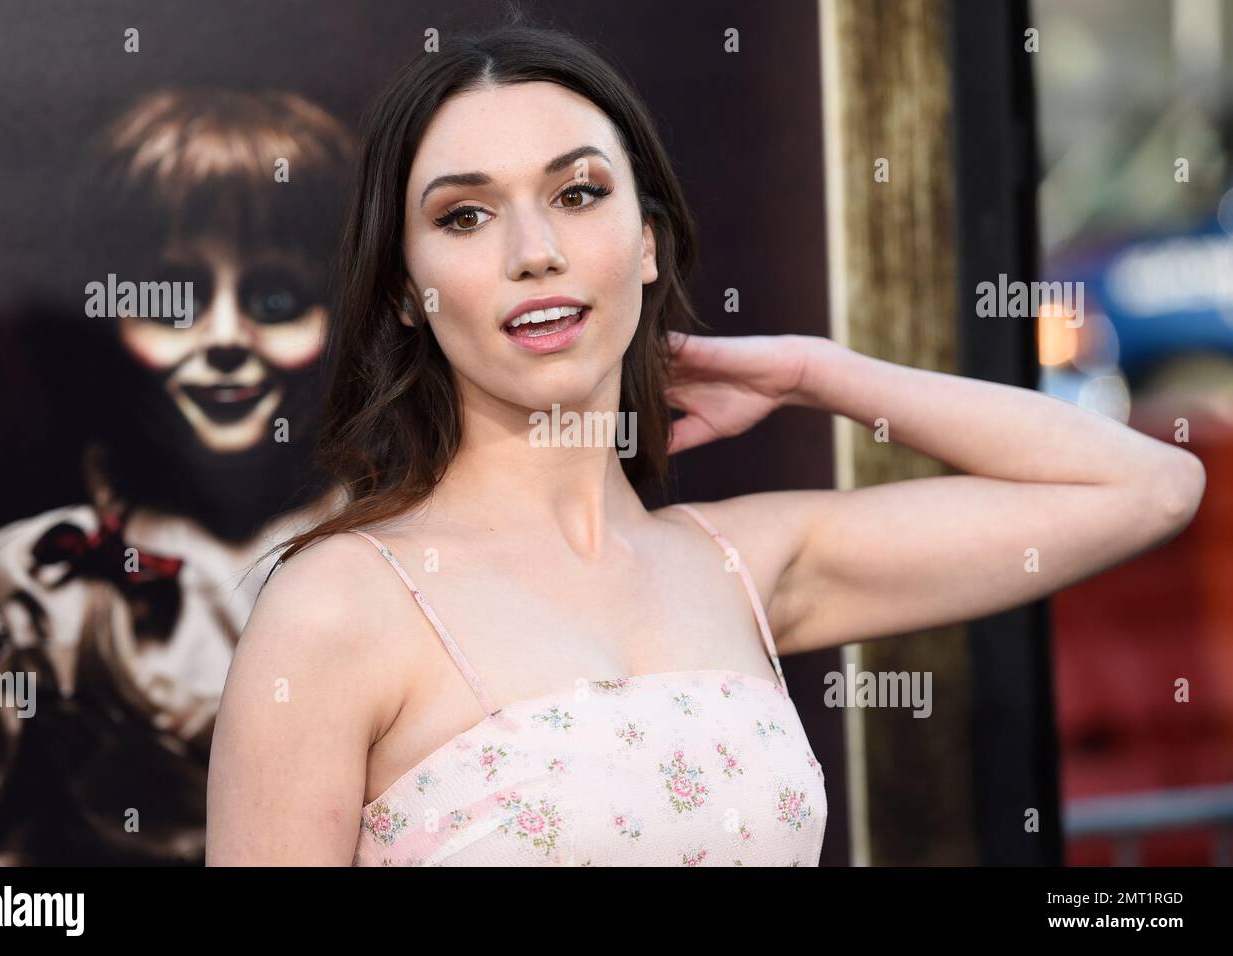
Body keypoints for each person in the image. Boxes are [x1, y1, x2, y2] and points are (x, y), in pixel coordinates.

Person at [204, 24, 1206, 867]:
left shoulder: (740, 565)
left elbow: (1148, 484)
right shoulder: (338, 607)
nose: (532, 249)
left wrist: (817, 372)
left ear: (646, 243)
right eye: (464, 215)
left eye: (579, 192)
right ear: (403, 293)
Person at [0, 88, 353, 864]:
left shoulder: (421, 551)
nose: (226, 336)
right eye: (176, 298)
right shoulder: (17, 602)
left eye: (276, 296)